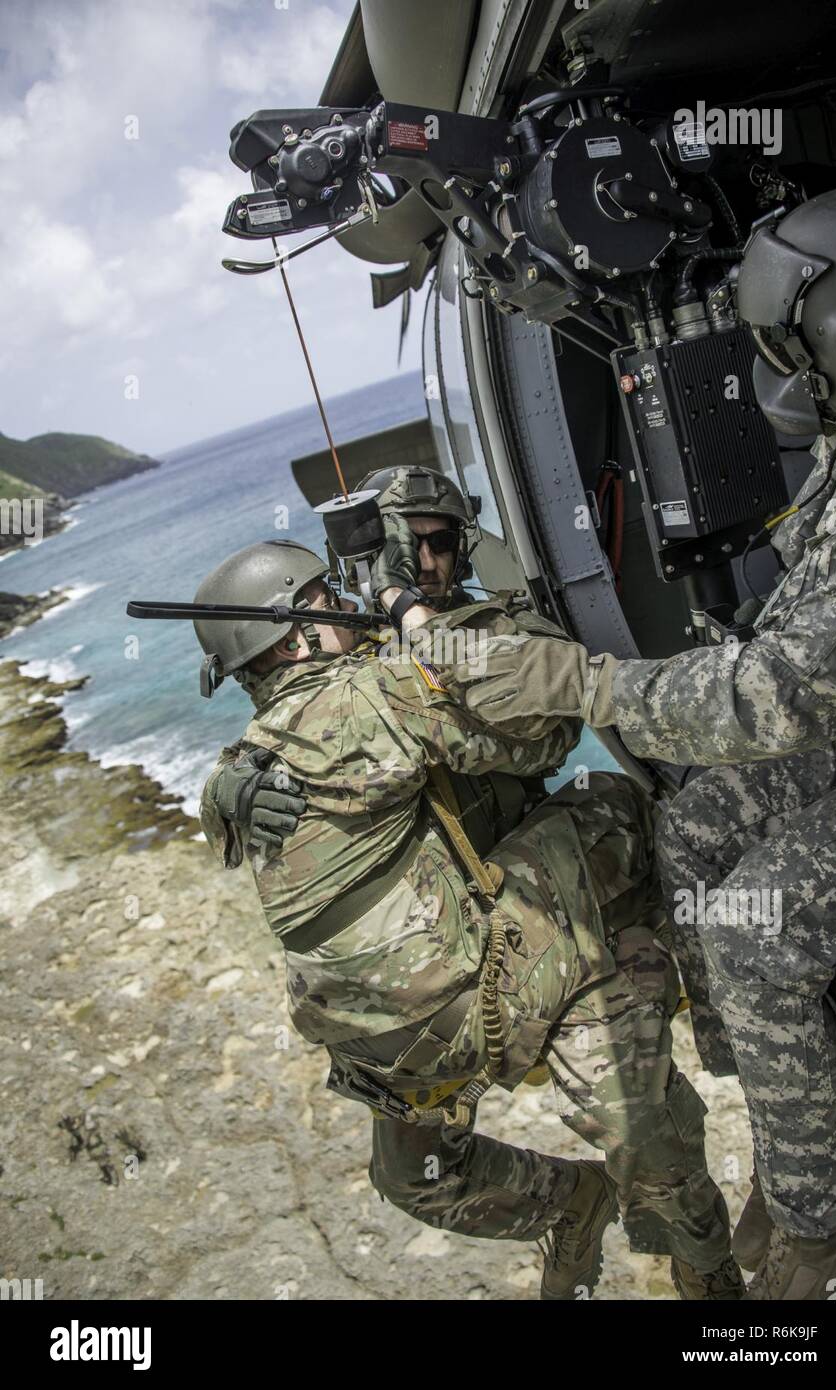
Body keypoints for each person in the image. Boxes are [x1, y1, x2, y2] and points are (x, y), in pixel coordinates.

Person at [387, 183, 836, 1300]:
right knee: (692, 821)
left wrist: (585, 681)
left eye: (789, 348)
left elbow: (778, 697)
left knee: (760, 939)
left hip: (823, 711)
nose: (779, 375)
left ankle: (823, 1231)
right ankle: (799, 1112)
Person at [193, 535, 741, 1299]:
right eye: (325, 598)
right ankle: (629, 1226)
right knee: (604, 811)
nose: (344, 602)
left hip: (410, 1036)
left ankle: (636, 1234)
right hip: (473, 1001)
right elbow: (543, 737)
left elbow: (229, 812)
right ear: (298, 636)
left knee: (428, 1174)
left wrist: (215, 788)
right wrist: (422, 632)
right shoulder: (369, 700)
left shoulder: (249, 763)